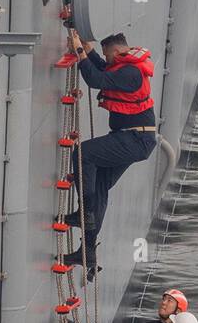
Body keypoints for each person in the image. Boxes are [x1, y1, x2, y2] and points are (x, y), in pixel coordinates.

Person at [62, 28, 158, 272]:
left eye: (107, 55)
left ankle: (84, 212)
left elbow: (96, 80)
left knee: (83, 154)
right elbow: (105, 70)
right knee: (100, 186)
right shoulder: (125, 67)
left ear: (117, 51)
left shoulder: (132, 74)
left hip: (136, 139)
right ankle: (88, 252)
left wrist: (80, 51)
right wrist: (89, 50)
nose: (106, 60)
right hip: (132, 139)